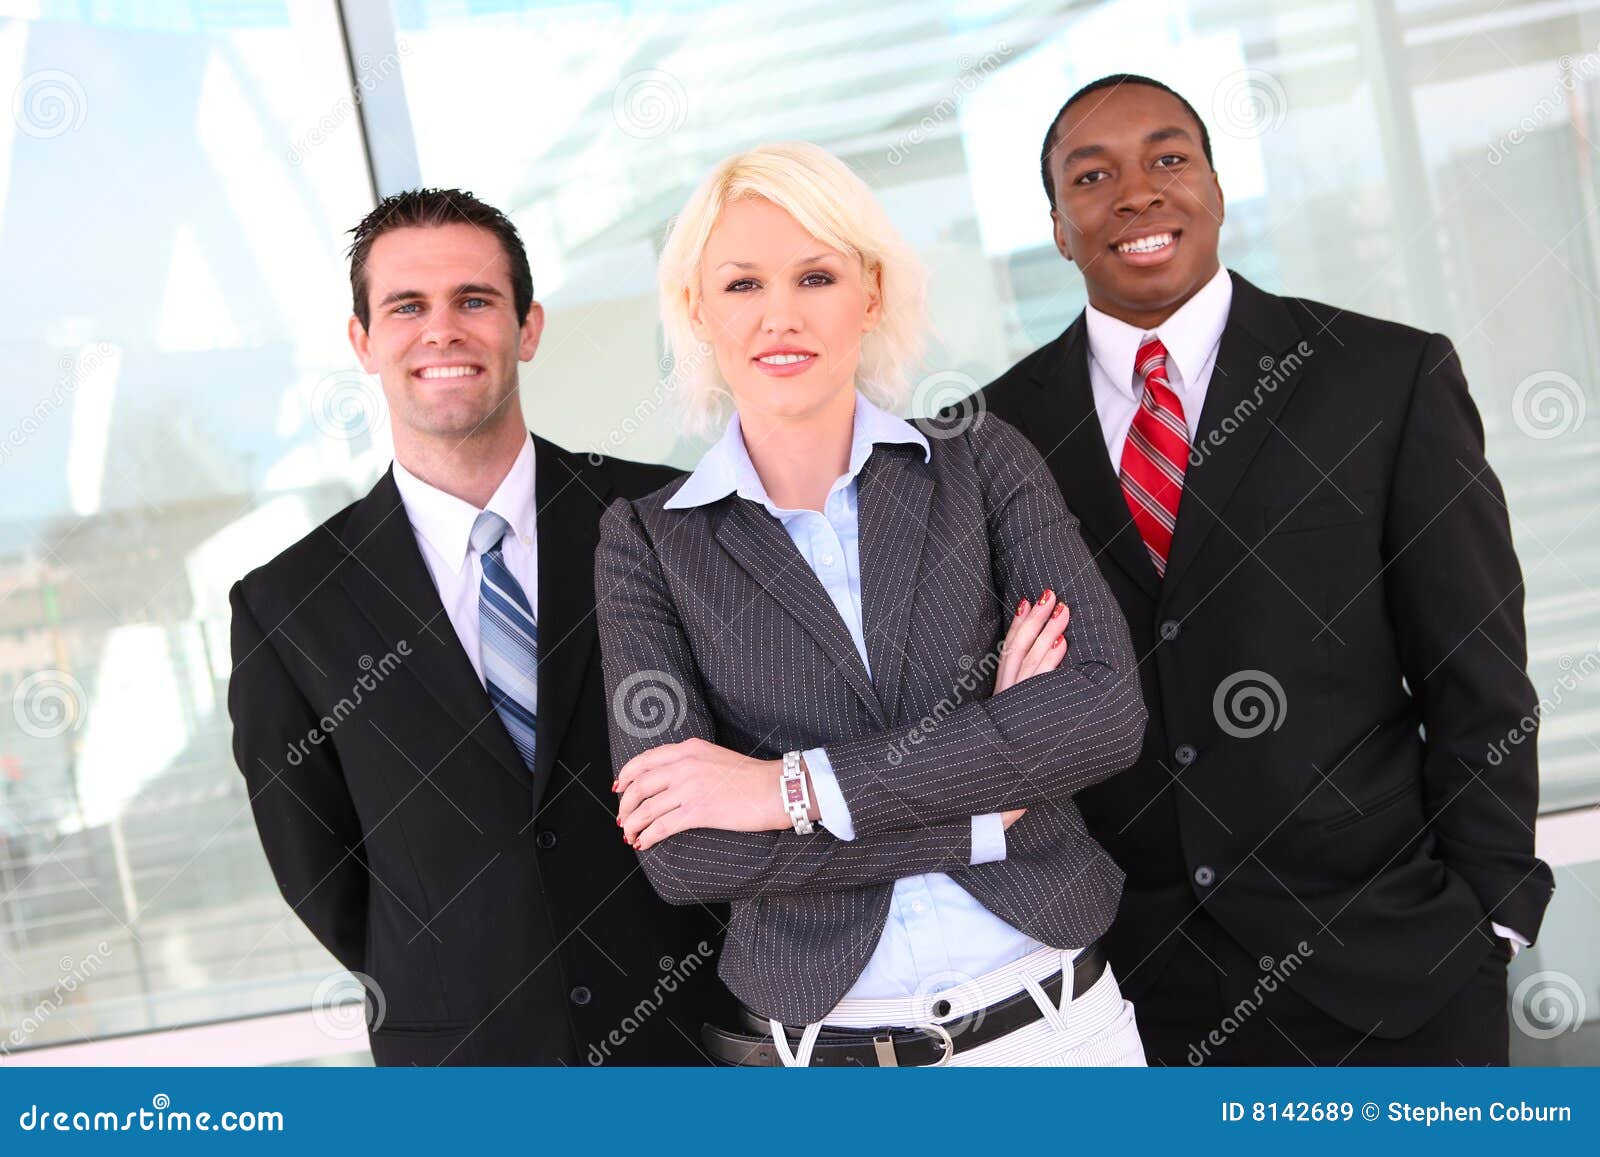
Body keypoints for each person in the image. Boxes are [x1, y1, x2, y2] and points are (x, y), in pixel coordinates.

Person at [980, 74, 1554, 1065]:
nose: (1137, 192)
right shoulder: (995, 434)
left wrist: (1488, 915)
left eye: (1168, 158)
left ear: (1214, 186)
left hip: (1391, 972)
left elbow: (1478, 671)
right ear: (1059, 227)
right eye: (1092, 174)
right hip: (1134, 999)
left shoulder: (1382, 379)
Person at [594, 142, 1149, 1067]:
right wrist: (983, 798)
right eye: (741, 285)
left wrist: (782, 790)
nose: (781, 315)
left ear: (873, 293)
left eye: (816, 275)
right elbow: (684, 851)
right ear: (695, 309)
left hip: (1058, 1035)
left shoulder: (980, 461)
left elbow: (1097, 713)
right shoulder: (649, 542)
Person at [228, 188, 732, 1065]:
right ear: (364, 342)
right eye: (406, 307)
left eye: (473, 300)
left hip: (707, 1032)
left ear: (527, 328)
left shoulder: (668, 515)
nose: (442, 331)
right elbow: (325, 876)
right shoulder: (288, 605)